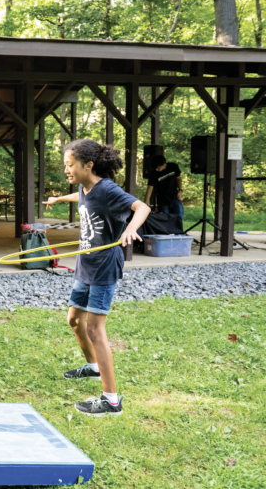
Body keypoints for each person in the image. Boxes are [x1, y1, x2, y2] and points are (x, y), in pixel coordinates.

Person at [43, 139, 150, 417]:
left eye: (70, 165)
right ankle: (93, 368)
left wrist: (129, 231)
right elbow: (81, 197)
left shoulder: (107, 189)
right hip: (85, 263)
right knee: (74, 321)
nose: (66, 170)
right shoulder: (85, 187)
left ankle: (111, 400)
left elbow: (142, 208)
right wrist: (57, 199)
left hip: (104, 265)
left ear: (88, 165)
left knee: (94, 329)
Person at [144, 154, 184, 219]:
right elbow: (149, 189)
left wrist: (180, 190)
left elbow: (178, 178)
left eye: (158, 168)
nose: (156, 169)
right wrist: (145, 203)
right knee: (165, 221)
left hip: (175, 198)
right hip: (162, 202)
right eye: (155, 168)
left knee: (179, 220)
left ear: (164, 163)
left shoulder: (173, 167)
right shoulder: (153, 174)